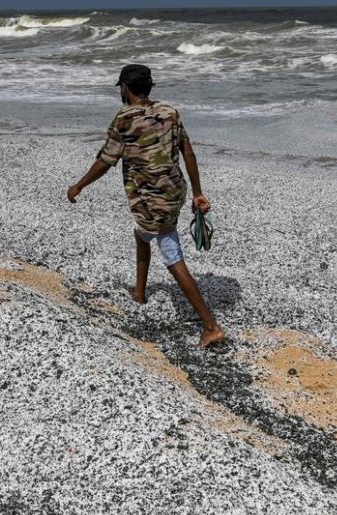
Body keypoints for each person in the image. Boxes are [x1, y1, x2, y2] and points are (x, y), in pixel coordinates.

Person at [67, 64, 226, 349]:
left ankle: (210, 326)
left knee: (171, 253)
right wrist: (198, 192)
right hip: (175, 191)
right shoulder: (169, 111)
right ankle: (139, 293)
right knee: (141, 233)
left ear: (125, 88)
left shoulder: (124, 118)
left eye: (121, 88)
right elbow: (187, 150)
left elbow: (106, 160)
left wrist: (79, 185)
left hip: (151, 197)